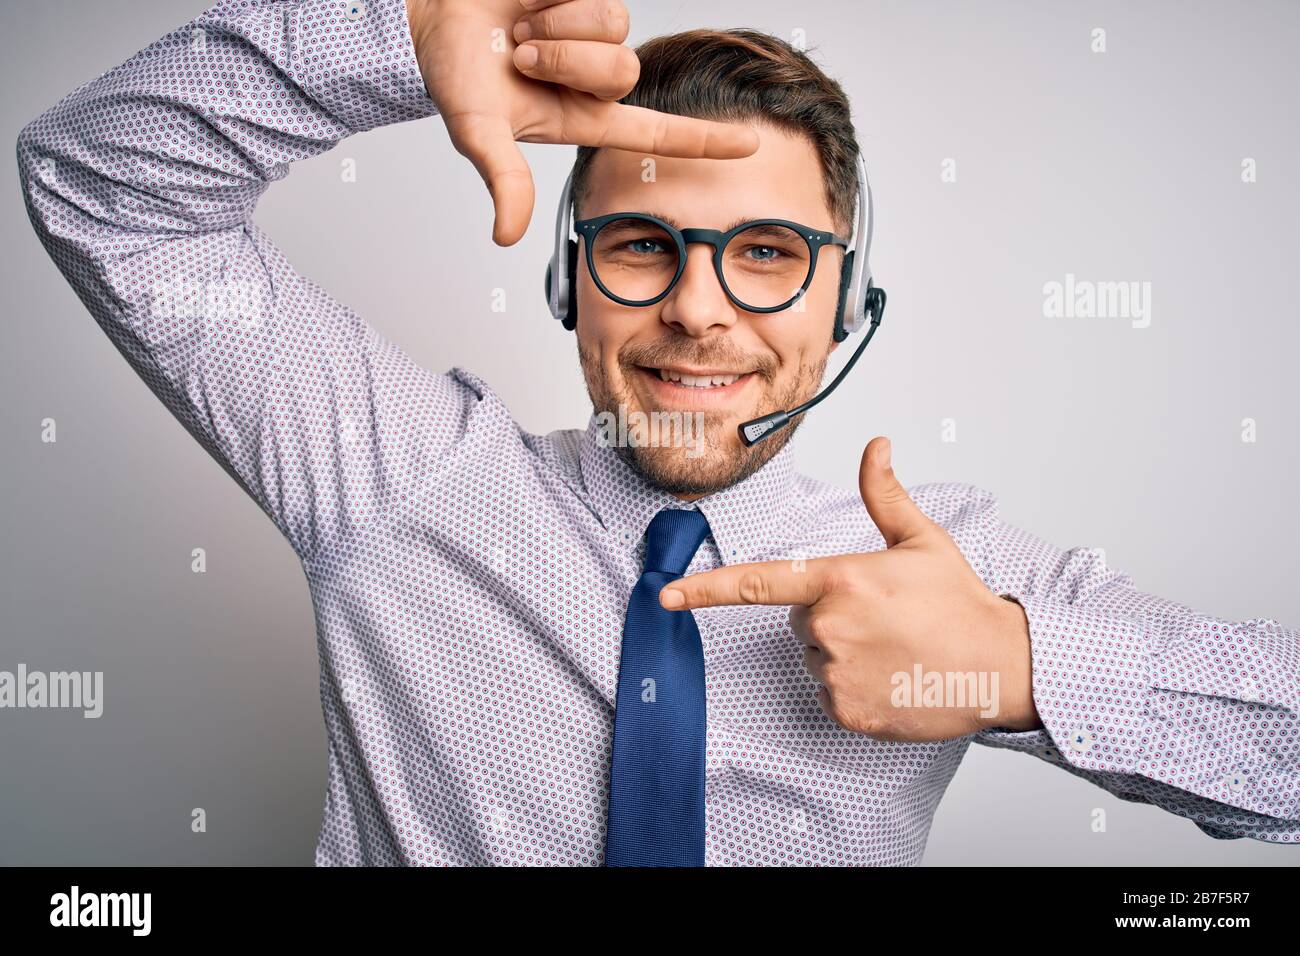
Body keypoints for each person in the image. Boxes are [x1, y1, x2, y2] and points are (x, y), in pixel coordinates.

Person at [18, 0, 1298, 866]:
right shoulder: (395, 483)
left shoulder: (948, 573)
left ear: (844, 299)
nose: (696, 312)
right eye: (641, 246)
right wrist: (396, 40)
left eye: (765, 253)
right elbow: (101, 187)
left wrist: (1014, 666)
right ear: (568, 280)